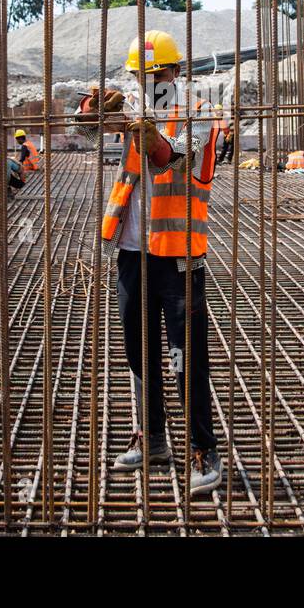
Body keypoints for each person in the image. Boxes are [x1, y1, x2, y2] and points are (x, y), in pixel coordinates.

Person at [74, 29, 223, 495]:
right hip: (132, 253)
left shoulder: (199, 113)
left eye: (159, 73)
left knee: (187, 359)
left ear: (177, 72)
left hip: (178, 258)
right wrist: (94, 111)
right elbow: (83, 130)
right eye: (143, 74)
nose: (152, 81)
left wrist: (144, 129)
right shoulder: (135, 111)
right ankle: (153, 438)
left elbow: (172, 162)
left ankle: (203, 449)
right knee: (141, 355)